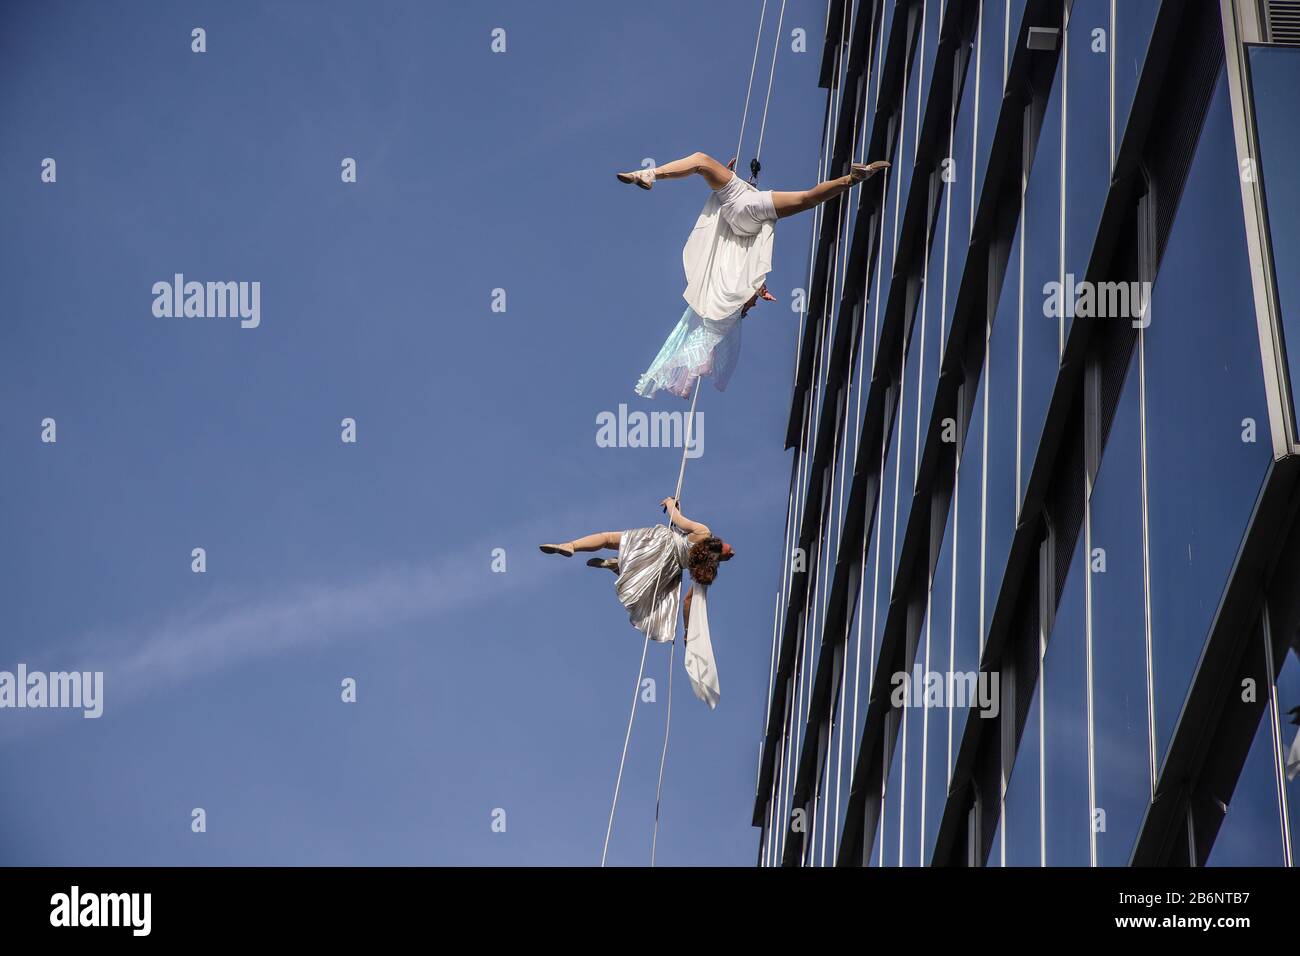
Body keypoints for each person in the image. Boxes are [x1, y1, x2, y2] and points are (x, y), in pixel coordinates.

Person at [620, 152, 889, 398]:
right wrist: (757, 288)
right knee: (805, 197)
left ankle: (649, 174)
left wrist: (757, 288)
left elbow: (748, 270)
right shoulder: (747, 262)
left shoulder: (741, 204)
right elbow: (750, 268)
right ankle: (852, 178)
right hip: (743, 205)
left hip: (735, 200)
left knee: (702, 162)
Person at [539, 497, 734, 645]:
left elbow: (677, 519)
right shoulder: (703, 570)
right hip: (666, 566)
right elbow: (688, 601)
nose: (732, 552)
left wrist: (670, 504)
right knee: (648, 589)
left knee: (608, 539)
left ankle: (570, 545)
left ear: (721, 547)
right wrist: (687, 630)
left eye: (729, 552)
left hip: (659, 543)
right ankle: (617, 566)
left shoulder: (703, 532)